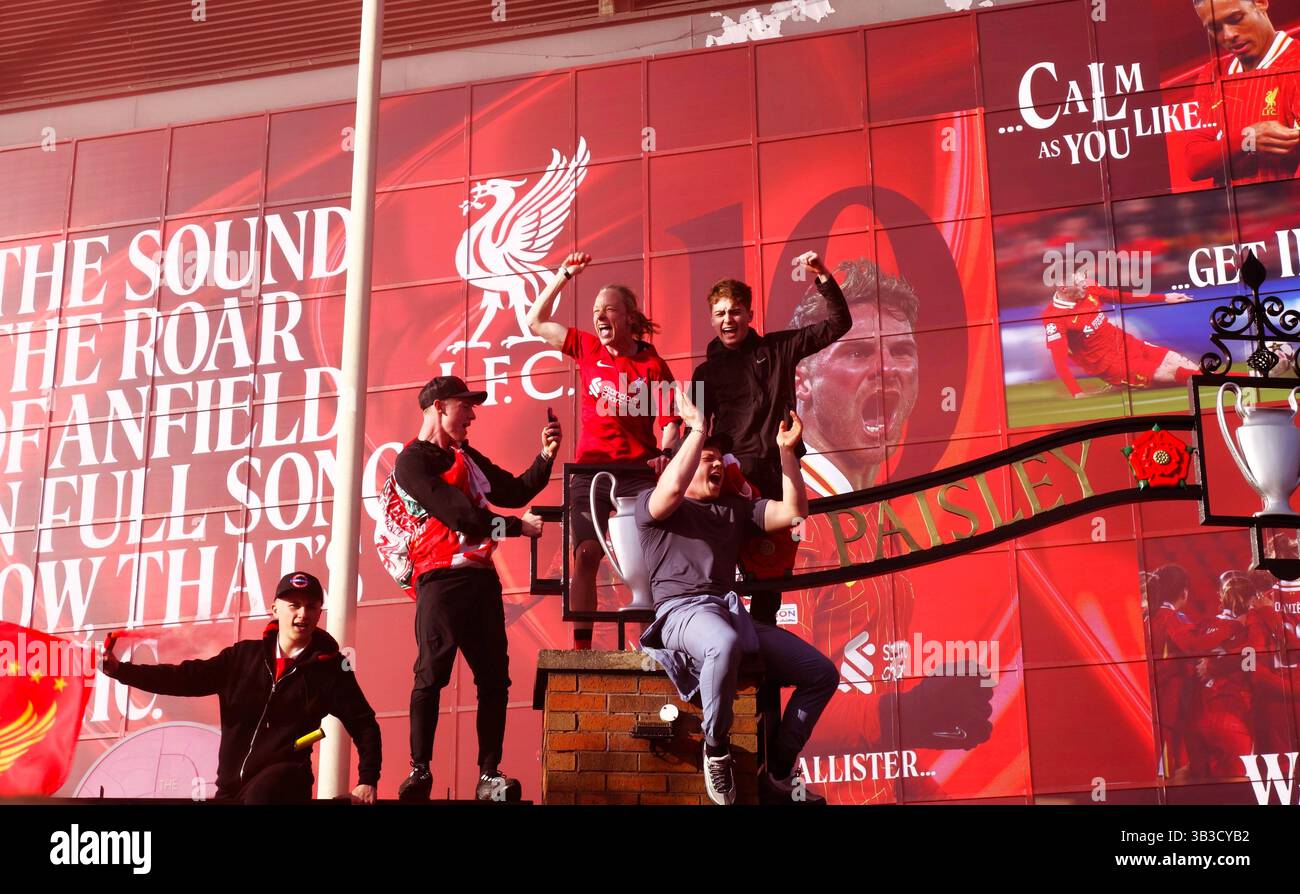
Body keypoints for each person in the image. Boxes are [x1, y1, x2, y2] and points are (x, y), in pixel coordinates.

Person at [784, 258, 992, 804]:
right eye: (857, 352)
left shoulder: (874, 513)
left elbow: (871, 726)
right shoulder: (791, 518)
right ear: (801, 378)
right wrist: (904, 712)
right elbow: (768, 704)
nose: (887, 368)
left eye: (902, 351)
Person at [634, 389, 838, 805]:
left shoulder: (733, 509)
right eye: (705, 457)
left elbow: (794, 514)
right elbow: (671, 490)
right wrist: (694, 431)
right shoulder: (655, 505)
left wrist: (787, 453)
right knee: (722, 646)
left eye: (717, 458)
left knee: (821, 673)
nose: (715, 464)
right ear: (684, 463)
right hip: (681, 612)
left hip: (729, 612)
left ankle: (778, 770)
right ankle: (716, 748)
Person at [393, 375, 560, 801]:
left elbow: (513, 489)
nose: (471, 415)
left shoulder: (465, 454)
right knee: (431, 674)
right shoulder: (412, 461)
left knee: (494, 680)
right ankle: (420, 771)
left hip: (482, 581)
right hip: (439, 579)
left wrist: (545, 455)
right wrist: (518, 527)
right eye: (464, 406)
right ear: (438, 407)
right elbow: (462, 517)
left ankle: (489, 775)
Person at [100, 571, 381, 804]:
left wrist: (367, 780)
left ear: (319, 613)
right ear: (275, 609)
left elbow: (364, 722)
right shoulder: (242, 657)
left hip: (284, 783)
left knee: (267, 790)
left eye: (311, 606)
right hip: (231, 789)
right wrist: (121, 671)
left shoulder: (331, 668)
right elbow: (183, 677)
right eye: (294, 605)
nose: (302, 613)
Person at [526, 251, 680, 648]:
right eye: (596, 310)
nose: (599, 316)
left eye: (609, 309)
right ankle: (581, 650)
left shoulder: (653, 365)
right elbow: (535, 322)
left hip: (636, 472)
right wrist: (563, 276)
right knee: (586, 554)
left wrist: (665, 452)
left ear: (630, 317)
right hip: (589, 472)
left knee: (648, 560)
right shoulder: (587, 348)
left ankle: (659, 641)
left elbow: (667, 421)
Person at [690, 250, 851, 616]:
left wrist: (823, 276)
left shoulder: (778, 348)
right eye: (720, 314)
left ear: (749, 314)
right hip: (732, 479)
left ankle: (764, 652)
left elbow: (839, 323)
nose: (728, 320)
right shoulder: (704, 374)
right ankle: (724, 642)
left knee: (773, 572)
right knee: (723, 566)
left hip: (780, 474)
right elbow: (694, 432)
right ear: (711, 320)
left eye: (734, 311)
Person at [1186, 0, 1300, 185]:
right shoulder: (1213, 73)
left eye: (1236, 19)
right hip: (1225, 212)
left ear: (1261, 3)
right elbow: (1194, 163)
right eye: (1216, 28)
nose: (1229, 35)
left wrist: (1225, 147)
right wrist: (1250, 139)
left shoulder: (1295, 62)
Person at [1042, 276, 1196, 399]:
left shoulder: (1089, 290)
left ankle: (1212, 377)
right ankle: (1217, 379)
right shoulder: (1054, 319)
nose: (1084, 285)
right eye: (1079, 283)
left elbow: (1121, 297)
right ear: (1064, 288)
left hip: (1126, 342)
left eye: (1082, 280)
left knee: (1185, 364)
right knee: (1168, 373)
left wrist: (1163, 297)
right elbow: (1059, 359)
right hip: (1110, 364)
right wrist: (1076, 391)